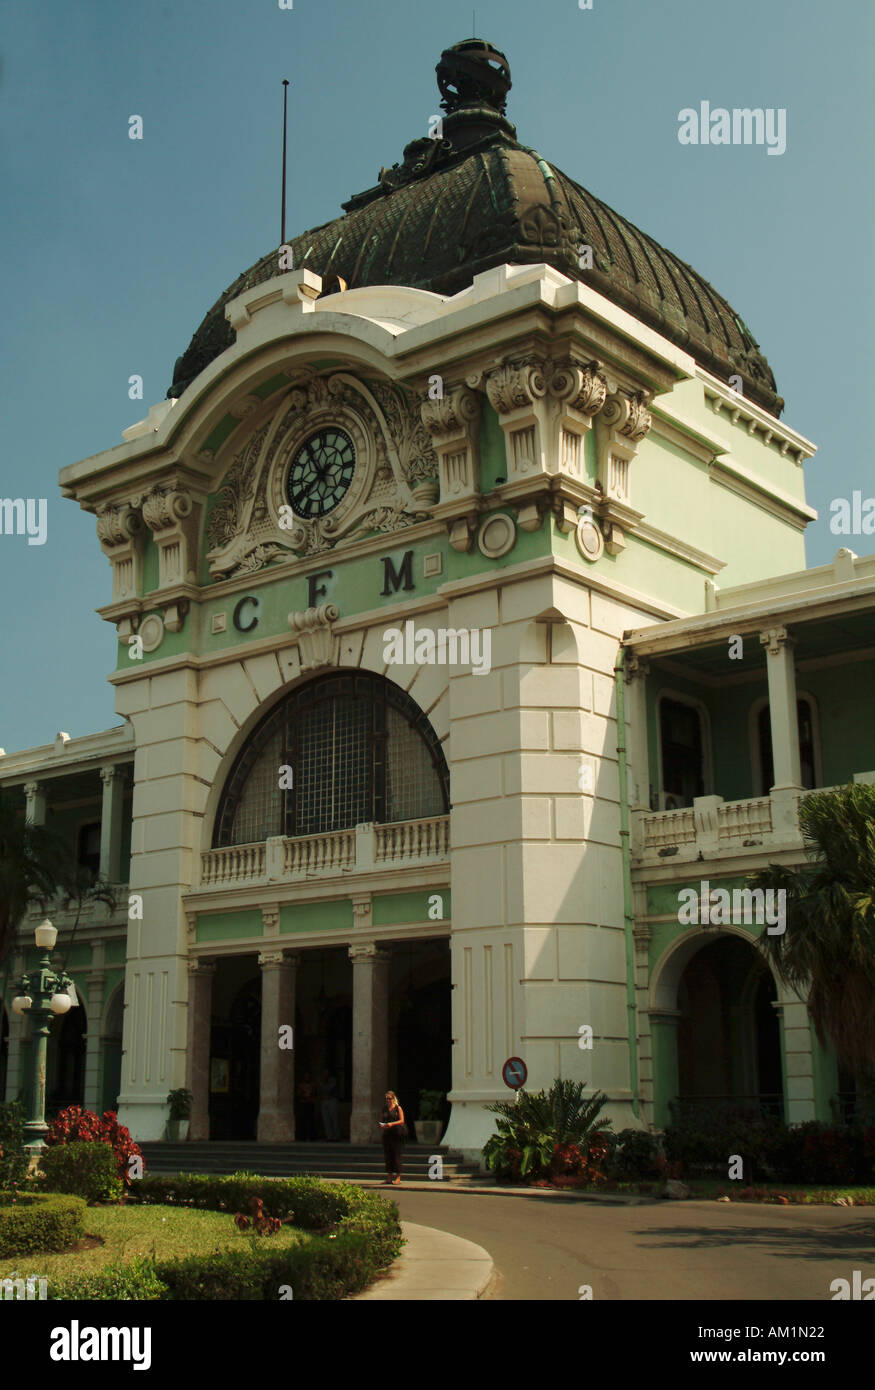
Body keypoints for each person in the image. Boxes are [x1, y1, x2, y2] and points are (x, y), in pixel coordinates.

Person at [379, 1090, 406, 1185]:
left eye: (389, 1098)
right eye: (386, 1099)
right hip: (387, 1134)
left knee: (396, 1156)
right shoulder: (384, 1109)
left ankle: (398, 1177)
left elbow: (402, 1121)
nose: (388, 1100)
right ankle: (389, 1177)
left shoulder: (398, 1108)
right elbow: (381, 1120)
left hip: (397, 1134)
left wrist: (392, 1124)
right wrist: (382, 1126)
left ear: (393, 1099)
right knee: (388, 1156)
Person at [320, 1070, 340, 1141]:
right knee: (326, 1120)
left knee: (334, 1119)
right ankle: (329, 1136)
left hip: (332, 1100)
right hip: (324, 1101)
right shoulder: (323, 1080)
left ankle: (336, 1136)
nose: (324, 1073)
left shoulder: (333, 1080)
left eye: (326, 1072)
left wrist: (322, 1086)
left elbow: (329, 1089)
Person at [296, 1073, 316, 1141]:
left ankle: (311, 1136)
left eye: (308, 1076)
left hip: (310, 1104)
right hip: (303, 1104)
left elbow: (315, 1093)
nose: (307, 1077)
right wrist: (303, 1094)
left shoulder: (312, 1085)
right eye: (305, 1076)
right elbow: (298, 1094)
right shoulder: (300, 1085)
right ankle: (302, 1136)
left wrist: (310, 1095)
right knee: (303, 1120)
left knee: (310, 1120)